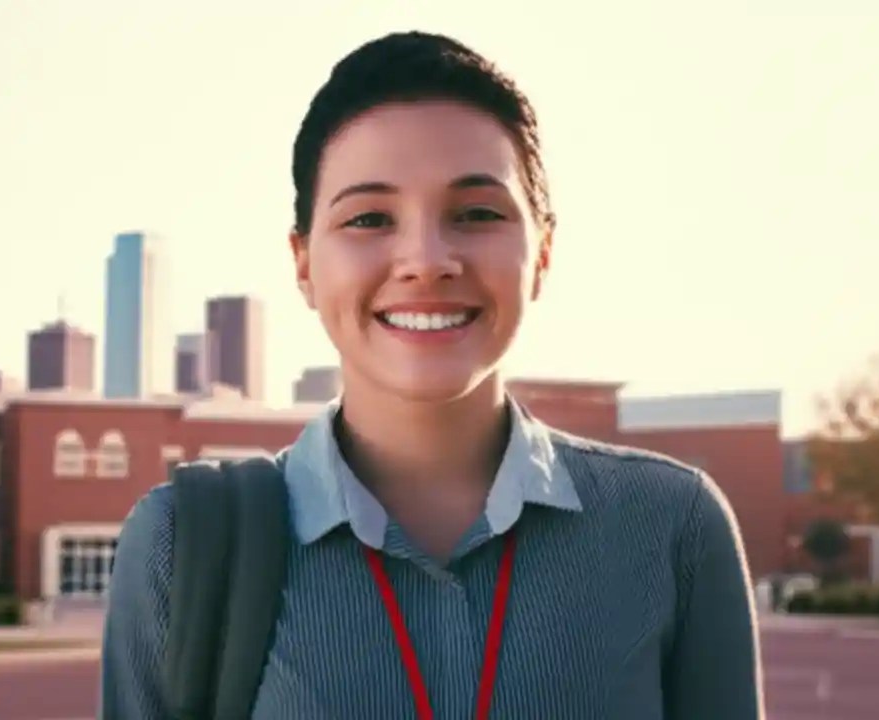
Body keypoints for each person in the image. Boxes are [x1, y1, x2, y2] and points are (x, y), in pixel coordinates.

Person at [99, 30, 763, 719]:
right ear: (303, 262)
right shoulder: (183, 541)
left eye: (476, 213)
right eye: (369, 218)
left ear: (542, 252)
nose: (425, 258)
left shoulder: (672, 526)